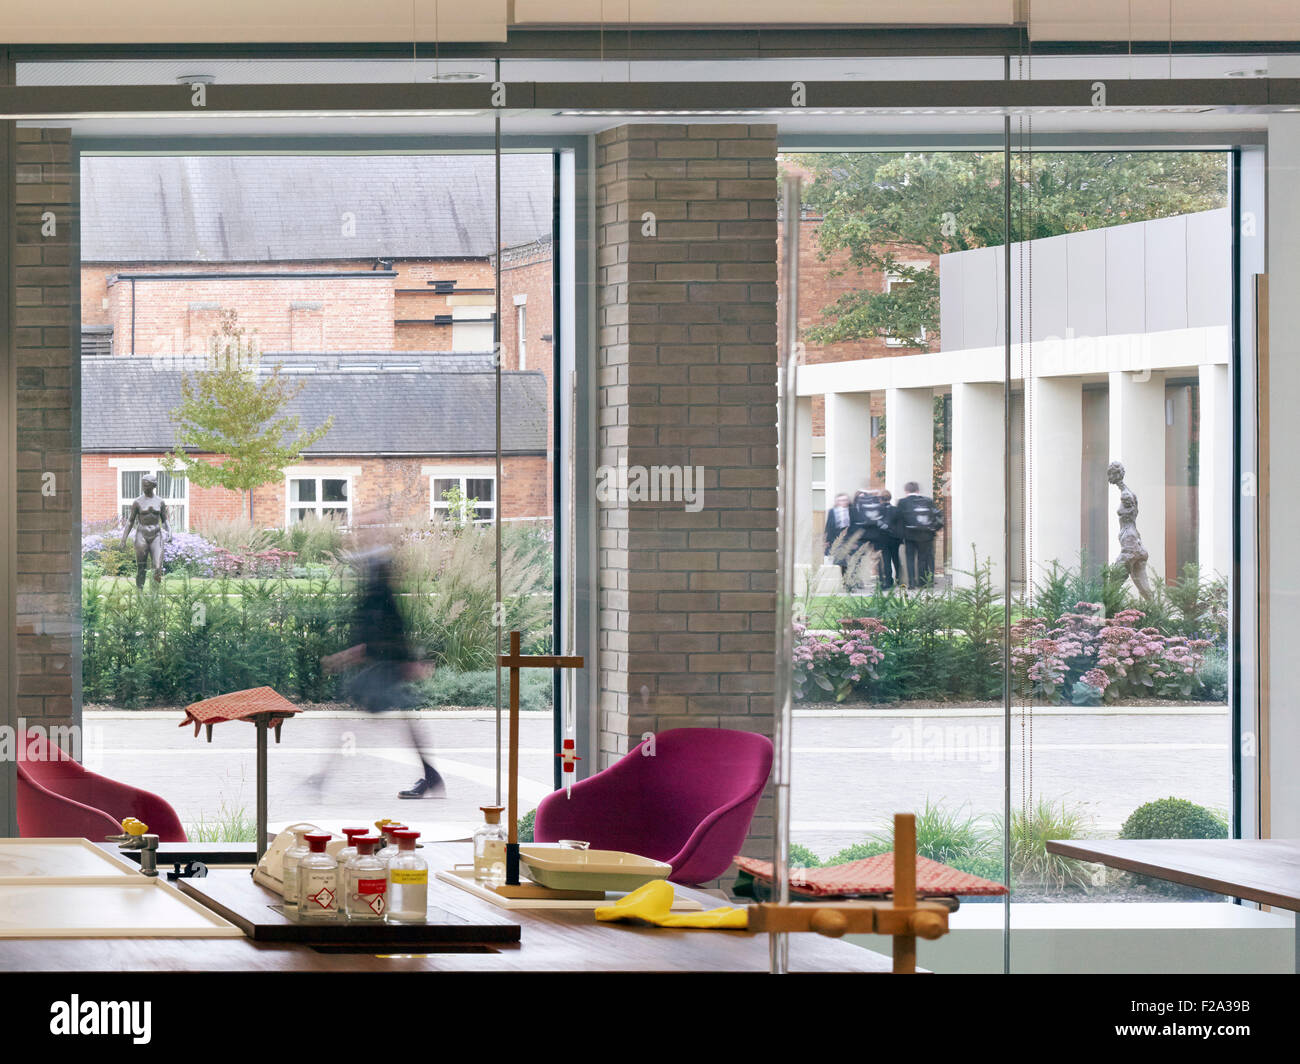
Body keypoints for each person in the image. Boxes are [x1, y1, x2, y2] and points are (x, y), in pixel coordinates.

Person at [320, 508, 446, 800]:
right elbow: (389, 625)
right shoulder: (376, 574)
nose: (356, 536)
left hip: (385, 664)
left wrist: (348, 656)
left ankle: (323, 777)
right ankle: (430, 774)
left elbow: (384, 626)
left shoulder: (377, 579)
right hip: (386, 663)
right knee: (391, 720)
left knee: (357, 721)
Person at [120, 473, 171, 589]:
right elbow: (130, 521)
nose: (143, 487)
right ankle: (140, 593)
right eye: (143, 485)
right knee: (141, 567)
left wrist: (170, 531)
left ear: (153, 486)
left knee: (157, 567)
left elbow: (164, 520)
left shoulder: (160, 502)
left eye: (146, 485)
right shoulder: (137, 502)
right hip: (142, 535)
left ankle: (154, 597)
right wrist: (123, 539)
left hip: (156, 536)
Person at [896, 480, 944, 588]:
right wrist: (933, 530)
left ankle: (911, 583)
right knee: (922, 559)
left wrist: (900, 535)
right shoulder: (928, 501)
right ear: (917, 490)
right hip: (926, 535)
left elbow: (899, 520)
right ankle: (922, 582)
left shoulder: (902, 502)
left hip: (909, 535)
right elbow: (937, 516)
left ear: (906, 490)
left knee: (910, 559)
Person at [822, 493, 858, 591]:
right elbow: (828, 526)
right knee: (839, 561)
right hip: (836, 539)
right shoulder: (832, 512)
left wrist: (855, 540)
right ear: (837, 502)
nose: (843, 502)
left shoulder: (853, 511)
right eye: (841, 500)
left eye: (845, 500)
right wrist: (826, 540)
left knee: (851, 562)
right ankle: (843, 582)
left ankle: (850, 583)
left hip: (849, 539)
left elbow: (855, 526)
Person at [873, 489, 904, 591]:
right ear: (889, 498)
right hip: (895, 539)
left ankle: (888, 582)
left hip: (881, 539)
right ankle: (900, 579)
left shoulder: (876, 510)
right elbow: (901, 526)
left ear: (880, 499)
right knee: (896, 559)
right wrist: (900, 538)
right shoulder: (897, 510)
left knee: (886, 560)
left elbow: (874, 525)